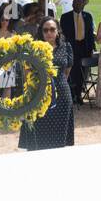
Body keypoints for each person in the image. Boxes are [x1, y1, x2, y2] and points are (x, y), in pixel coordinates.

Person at [19, 18, 75, 150]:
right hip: (39, 94)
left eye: (52, 29)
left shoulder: (66, 47)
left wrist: (57, 83)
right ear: (41, 32)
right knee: (39, 134)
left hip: (62, 95)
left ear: (58, 31)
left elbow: (67, 70)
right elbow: (27, 72)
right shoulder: (34, 49)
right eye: (45, 30)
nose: (49, 33)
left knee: (59, 136)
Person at [59, 0, 95, 105]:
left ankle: (79, 94)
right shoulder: (65, 17)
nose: (78, 5)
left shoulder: (88, 16)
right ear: (73, 4)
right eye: (76, 3)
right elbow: (63, 33)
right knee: (71, 70)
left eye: (81, 3)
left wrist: (91, 48)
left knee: (82, 72)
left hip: (84, 47)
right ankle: (71, 95)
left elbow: (90, 33)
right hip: (71, 47)